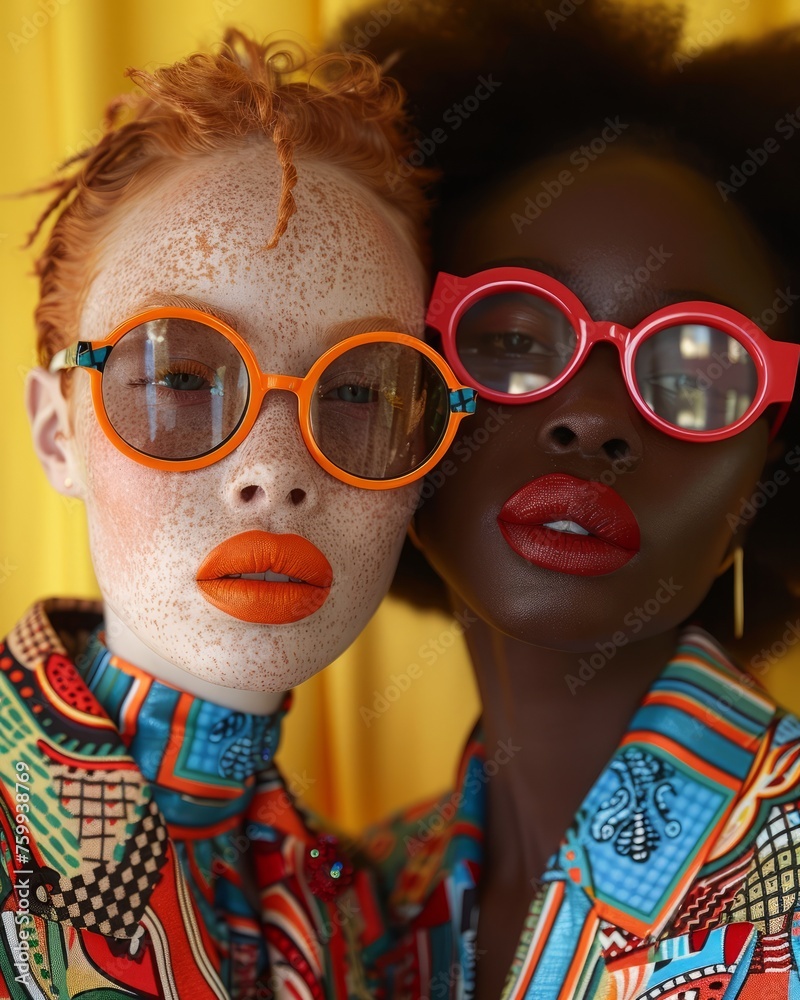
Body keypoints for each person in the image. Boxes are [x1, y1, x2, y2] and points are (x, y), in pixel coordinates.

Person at [4, 28, 474, 998]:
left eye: (356, 392)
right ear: (58, 433)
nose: (273, 471)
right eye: (178, 373)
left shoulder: (357, 914)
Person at [342, 1, 800, 996]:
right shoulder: (345, 912)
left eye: (695, 367)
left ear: (765, 464)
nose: (591, 420)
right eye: (510, 337)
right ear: (397, 384)